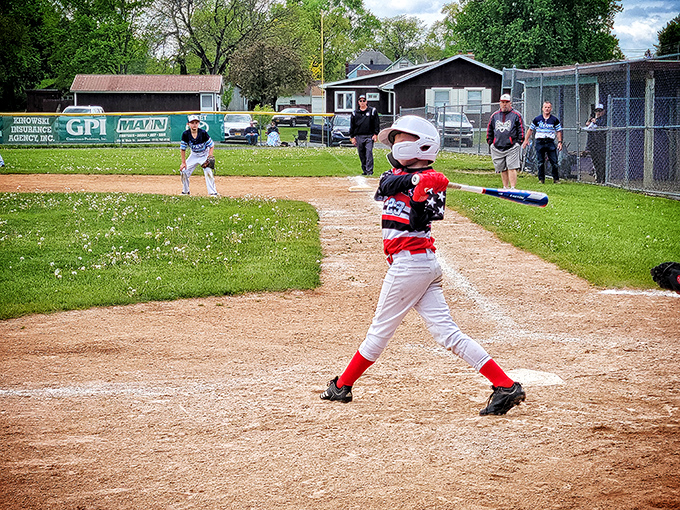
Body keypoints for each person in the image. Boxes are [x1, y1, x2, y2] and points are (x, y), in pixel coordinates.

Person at [320, 115, 526, 416]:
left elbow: (419, 222)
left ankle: (342, 386)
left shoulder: (436, 186)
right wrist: (417, 180)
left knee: (378, 334)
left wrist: (422, 194)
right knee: (447, 334)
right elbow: (388, 185)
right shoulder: (395, 175)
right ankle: (504, 385)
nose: (395, 142)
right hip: (421, 267)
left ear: (421, 145)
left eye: (402, 137)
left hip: (411, 267)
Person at [486, 94, 525, 190]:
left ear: (510, 103)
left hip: (512, 146)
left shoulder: (516, 115)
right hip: (497, 146)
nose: (504, 104)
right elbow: (489, 129)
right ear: (500, 103)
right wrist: (490, 142)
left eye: (506, 102)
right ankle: (505, 187)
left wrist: (518, 142)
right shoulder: (494, 116)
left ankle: (513, 187)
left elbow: (521, 130)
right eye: (502, 102)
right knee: (502, 168)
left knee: (511, 167)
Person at [522, 101, 564, 184]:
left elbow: (558, 131)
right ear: (542, 108)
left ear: (551, 109)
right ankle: (541, 179)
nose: (547, 109)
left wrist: (559, 142)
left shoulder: (554, 120)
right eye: (545, 107)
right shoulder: (537, 119)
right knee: (540, 162)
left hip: (550, 142)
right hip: (539, 142)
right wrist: (526, 140)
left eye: (548, 107)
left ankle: (556, 179)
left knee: (554, 162)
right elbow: (530, 130)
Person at [179, 115, 218, 196]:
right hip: (194, 155)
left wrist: (209, 156)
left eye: (196, 123)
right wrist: (183, 162)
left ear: (198, 124)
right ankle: (185, 191)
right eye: (192, 123)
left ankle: (213, 192)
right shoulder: (185, 134)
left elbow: (211, 145)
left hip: (204, 154)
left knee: (208, 171)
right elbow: (183, 149)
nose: (194, 125)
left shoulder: (203, 133)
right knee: (183, 171)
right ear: (188, 124)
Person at [349, 94, 380, 175]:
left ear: (366, 101)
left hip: (369, 136)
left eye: (364, 101)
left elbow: (376, 123)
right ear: (358, 102)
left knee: (369, 152)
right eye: (360, 101)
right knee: (361, 154)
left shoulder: (372, 111)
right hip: (359, 136)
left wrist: (375, 134)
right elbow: (352, 125)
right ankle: (365, 170)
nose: (362, 102)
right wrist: (352, 137)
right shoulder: (355, 113)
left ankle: (369, 171)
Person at [585, 103, 607, 184]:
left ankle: (603, 179)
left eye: (600, 111)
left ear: (603, 111)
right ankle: (598, 178)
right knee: (596, 162)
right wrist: (589, 123)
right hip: (593, 145)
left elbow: (603, 126)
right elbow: (589, 129)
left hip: (601, 144)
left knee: (602, 162)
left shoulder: (604, 119)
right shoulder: (593, 119)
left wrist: (596, 122)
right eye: (597, 111)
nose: (598, 113)